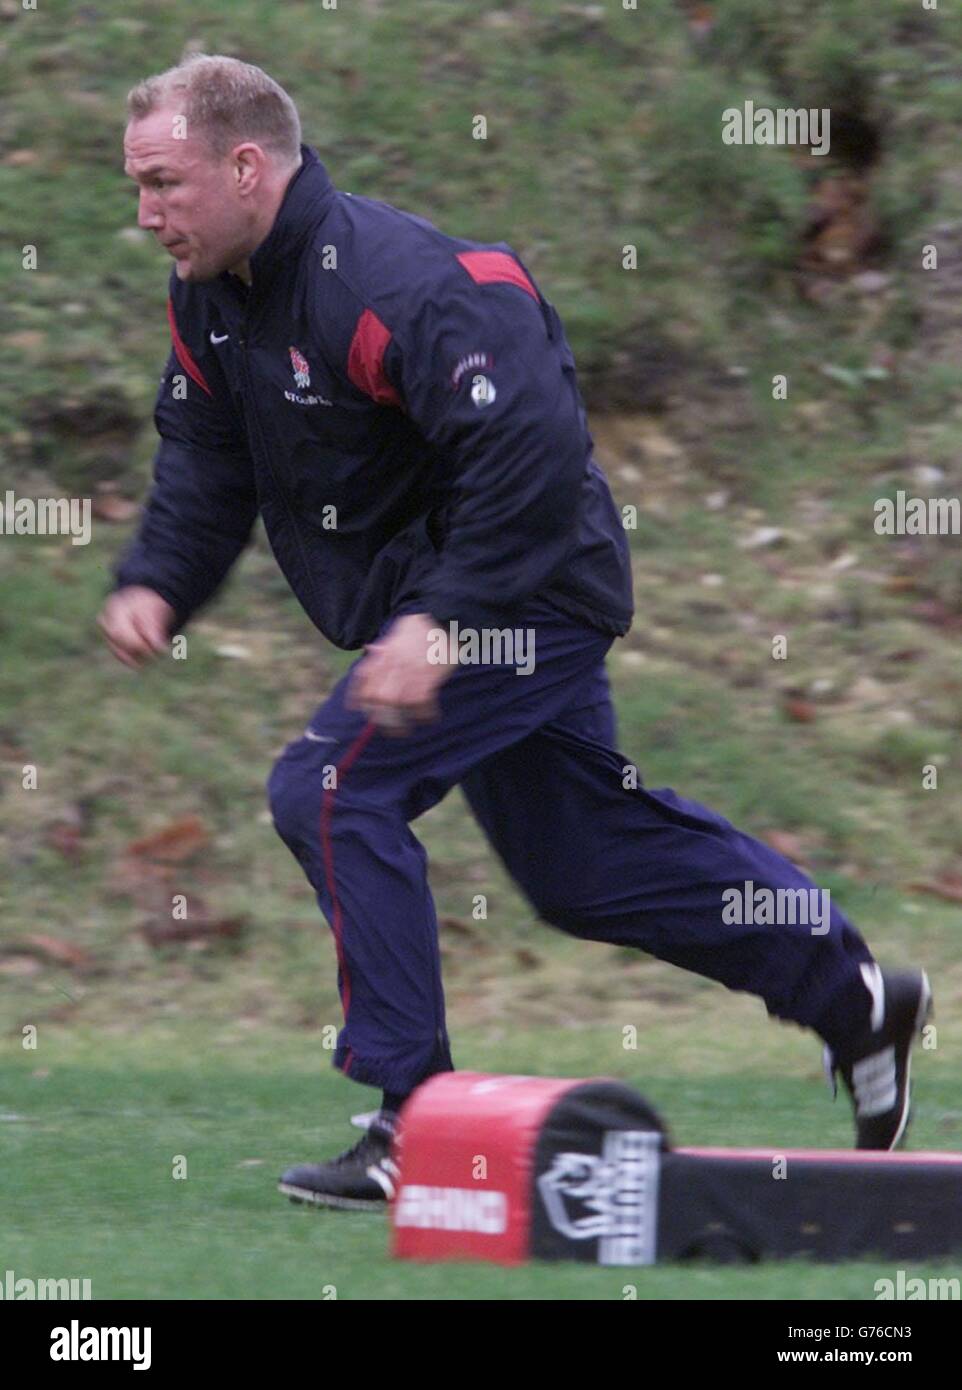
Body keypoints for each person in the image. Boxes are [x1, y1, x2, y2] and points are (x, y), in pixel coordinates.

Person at [100, 54, 931, 1212]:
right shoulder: (216, 294)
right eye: (137, 186)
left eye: (160, 183)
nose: (144, 214)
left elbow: (528, 460)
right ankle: (850, 993)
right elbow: (206, 454)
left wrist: (445, 620)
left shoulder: (409, 284)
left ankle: (412, 1116)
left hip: (525, 589)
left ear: (246, 167)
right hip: (449, 603)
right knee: (582, 867)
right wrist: (156, 581)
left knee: (330, 789)